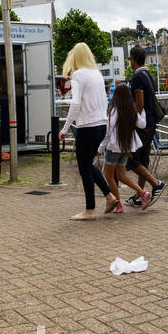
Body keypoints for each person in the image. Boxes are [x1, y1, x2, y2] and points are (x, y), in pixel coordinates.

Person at [59, 43, 116, 221]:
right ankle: (109, 197)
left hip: (87, 126)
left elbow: (75, 104)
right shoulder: (97, 74)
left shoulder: (78, 75)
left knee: (84, 167)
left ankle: (90, 209)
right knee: (87, 165)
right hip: (101, 125)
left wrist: (65, 128)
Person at [124, 46, 166, 207]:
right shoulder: (148, 75)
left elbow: (140, 104)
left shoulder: (137, 78)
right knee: (143, 160)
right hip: (152, 123)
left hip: (142, 125)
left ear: (133, 60)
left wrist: (128, 116)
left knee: (131, 159)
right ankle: (139, 196)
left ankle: (156, 184)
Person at [100, 83, 152, 213]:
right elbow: (142, 124)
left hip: (114, 148)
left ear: (116, 96)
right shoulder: (132, 110)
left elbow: (108, 132)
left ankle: (117, 204)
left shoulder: (114, 110)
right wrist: (142, 109)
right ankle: (143, 193)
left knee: (109, 176)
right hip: (126, 148)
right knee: (122, 176)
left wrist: (100, 148)